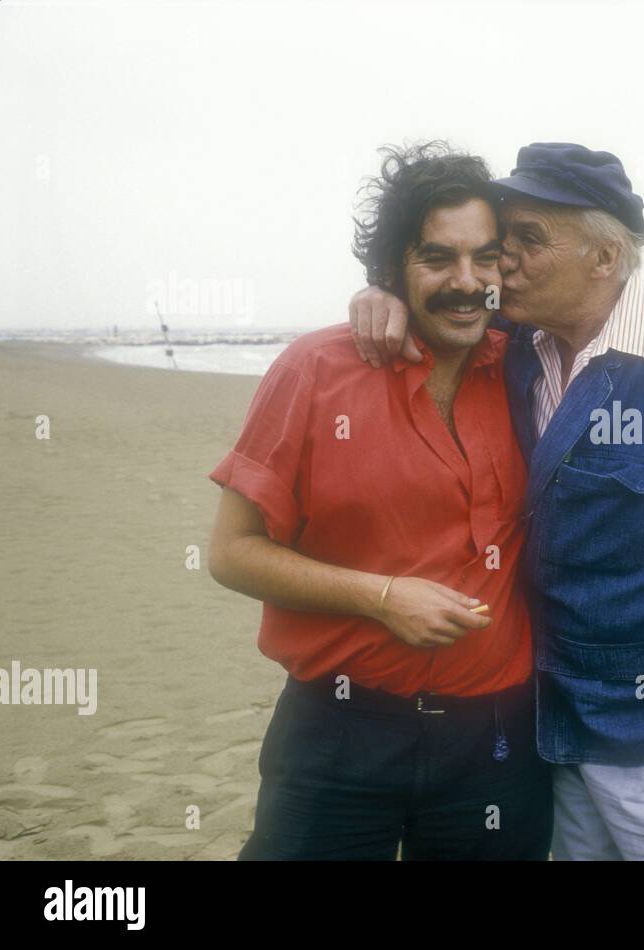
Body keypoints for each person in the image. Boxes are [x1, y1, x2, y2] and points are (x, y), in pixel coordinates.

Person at [349, 142, 644, 860]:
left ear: (604, 258)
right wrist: (384, 295)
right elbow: (444, 306)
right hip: (552, 729)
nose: (505, 265)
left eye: (530, 241)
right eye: (508, 242)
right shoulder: (519, 347)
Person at [208, 142, 550, 860]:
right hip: (338, 737)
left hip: (496, 744)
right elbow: (231, 554)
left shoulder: (528, 365)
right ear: (393, 266)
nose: (468, 282)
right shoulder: (315, 371)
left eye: (485, 258)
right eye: (437, 258)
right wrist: (381, 596)